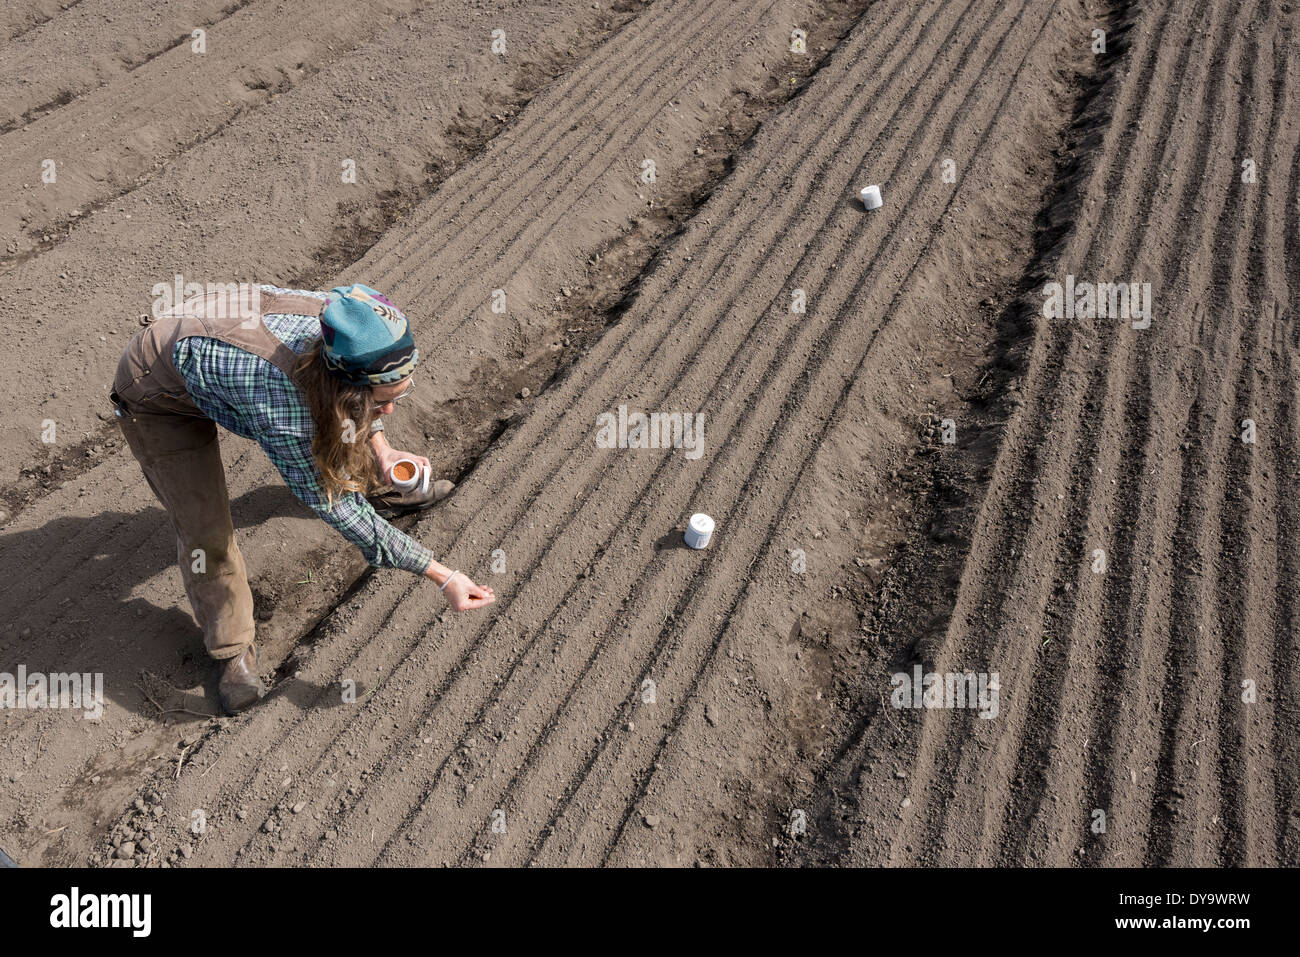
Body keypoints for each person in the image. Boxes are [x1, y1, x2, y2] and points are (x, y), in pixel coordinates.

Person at [110, 282, 495, 714]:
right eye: (385, 401)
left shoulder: (346, 321)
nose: (390, 410)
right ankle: (230, 650)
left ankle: (377, 482)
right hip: (156, 393)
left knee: (344, 437)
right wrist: (443, 576)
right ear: (349, 389)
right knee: (206, 533)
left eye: (400, 394)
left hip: (217, 338)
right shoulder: (280, 403)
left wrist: (383, 451)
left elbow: (355, 402)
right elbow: (333, 505)